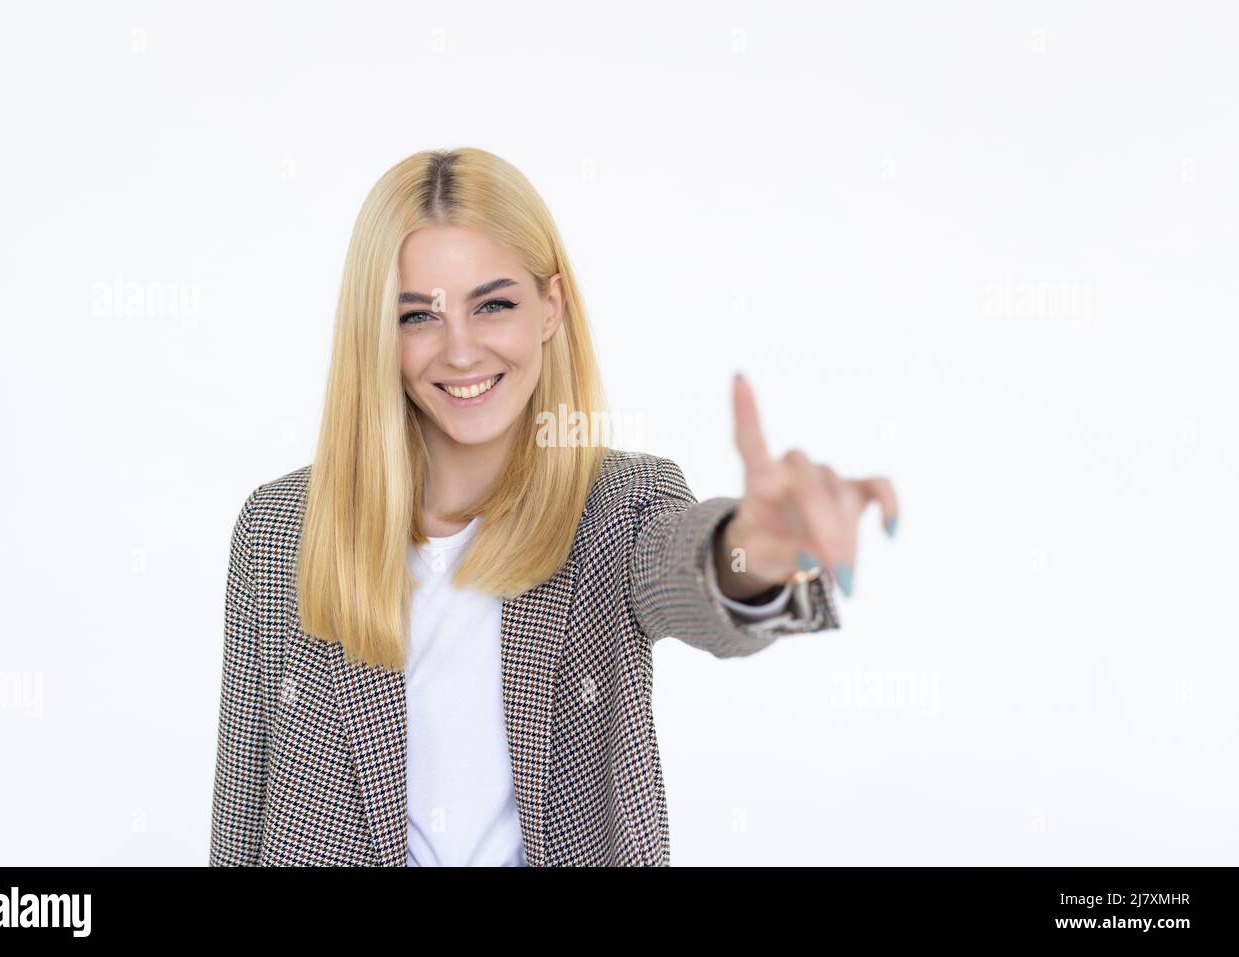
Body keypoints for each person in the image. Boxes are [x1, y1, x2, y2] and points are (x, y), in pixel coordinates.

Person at [209, 147, 899, 866]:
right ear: (377, 332)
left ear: (550, 308)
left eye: (494, 304)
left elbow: (692, 573)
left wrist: (756, 549)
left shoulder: (619, 506)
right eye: (418, 317)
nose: (461, 351)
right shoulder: (279, 527)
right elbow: (242, 800)